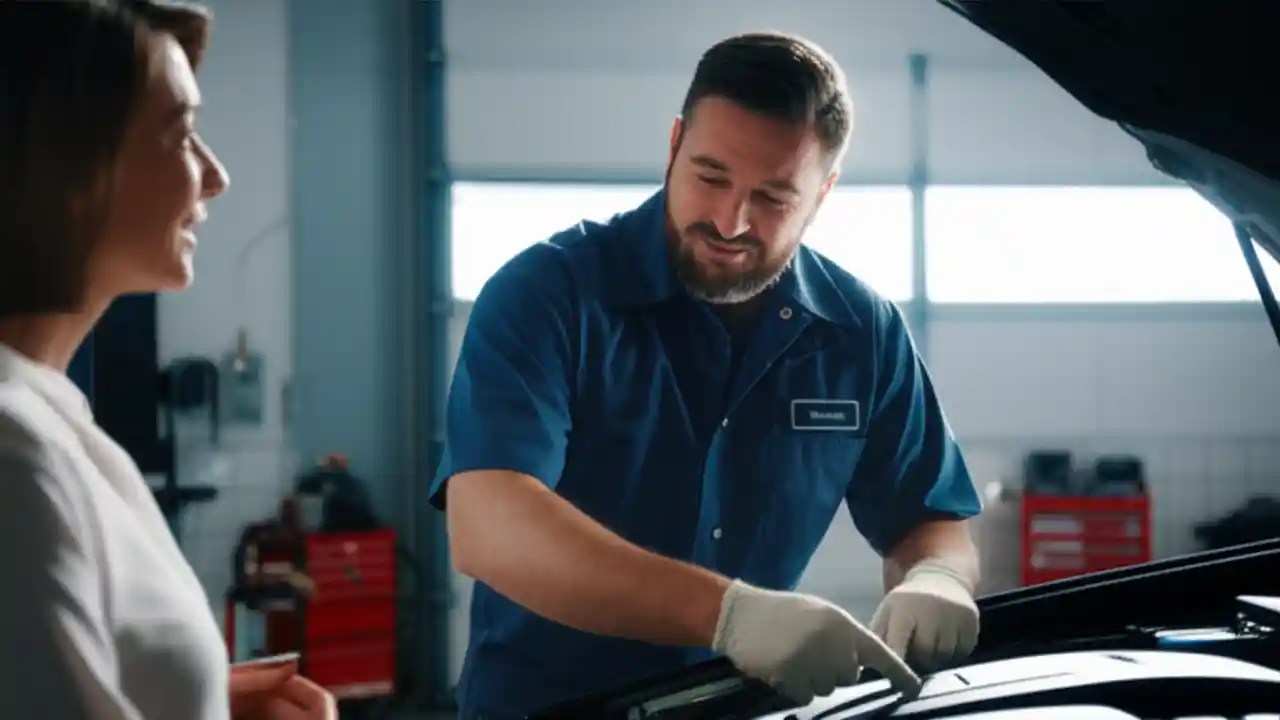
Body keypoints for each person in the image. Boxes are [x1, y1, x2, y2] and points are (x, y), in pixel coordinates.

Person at [433, 31, 984, 719]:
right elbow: (489, 524)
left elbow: (929, 517)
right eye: (711, 177)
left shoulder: (861, 333)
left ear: (823, 194)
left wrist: (937, 578)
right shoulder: (549, 295)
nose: (731, 220)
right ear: (672, 147)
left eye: (774, 197)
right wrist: (728, 615)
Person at [0, 2, 336, 718]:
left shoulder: (52, 418)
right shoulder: (12, 453)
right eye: (181, 132)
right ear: (69, 164)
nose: (214, 177)